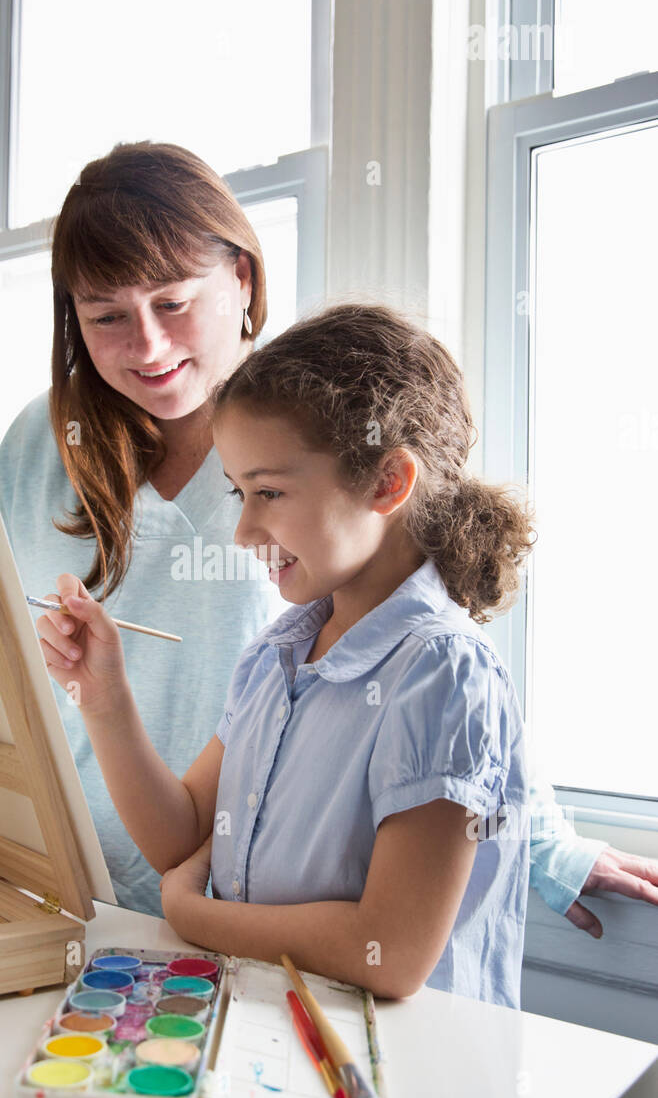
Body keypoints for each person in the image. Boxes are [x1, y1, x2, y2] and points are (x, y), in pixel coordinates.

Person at [0, 140, 655, 934]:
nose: (150, 347)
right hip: (69, 871)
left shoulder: (321, 427)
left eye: (172, 303)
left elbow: (439, 644)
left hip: (250, 894)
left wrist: (543, 842)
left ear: (241, 277)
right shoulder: (40, 438)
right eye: (106, 318)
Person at [43, 303, 536, 1006]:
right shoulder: (279, 652)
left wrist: (193, 915)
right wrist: (104, 698)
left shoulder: (441, 673)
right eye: (239, 493)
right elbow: (182, 835)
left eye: (269, 492)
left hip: (402, 1078)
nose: (244, 531)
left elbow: (389, 953)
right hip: (276, 1036)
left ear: (388, 482)